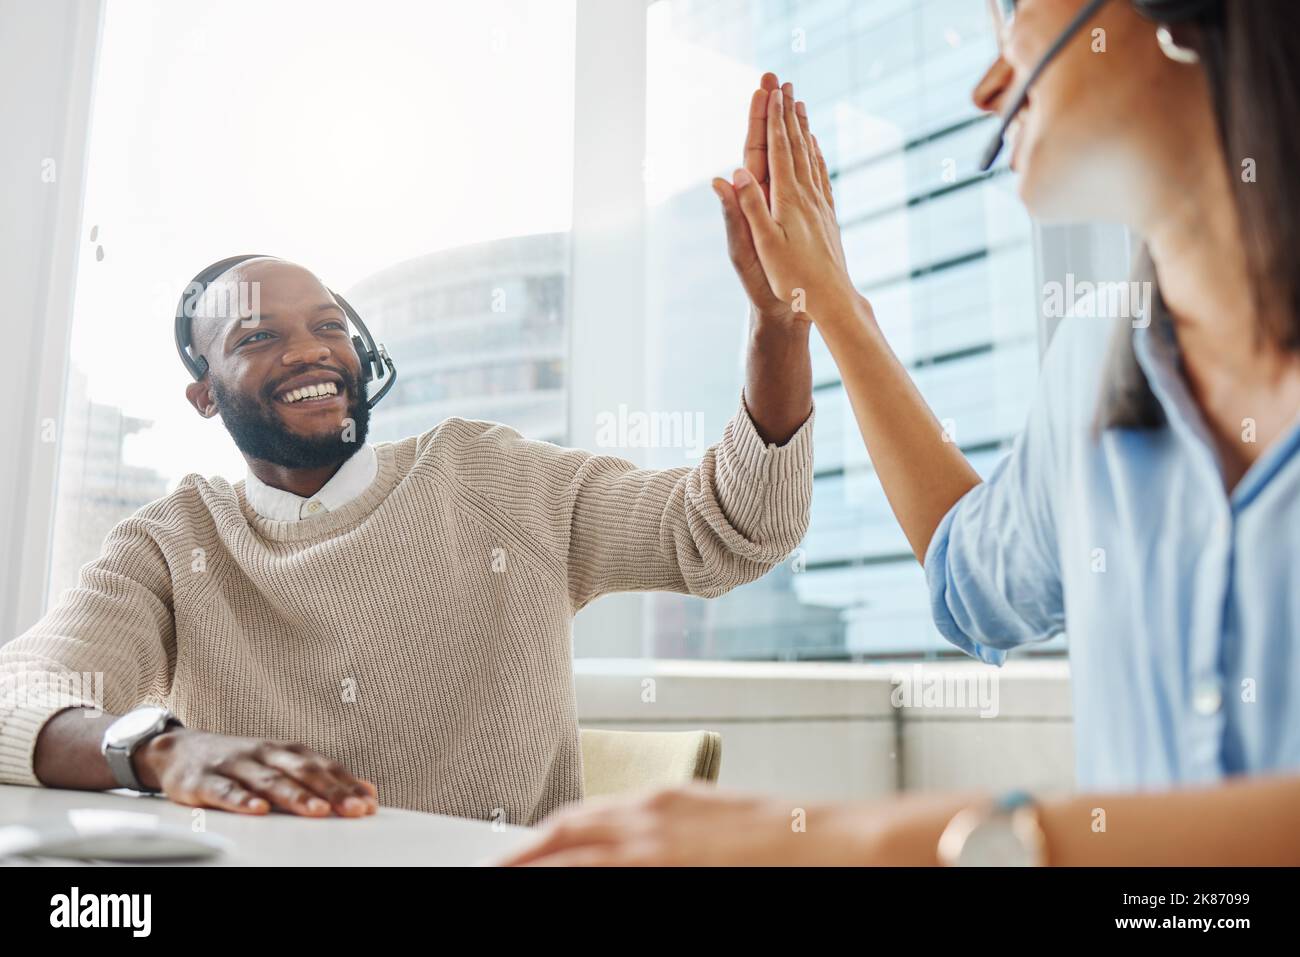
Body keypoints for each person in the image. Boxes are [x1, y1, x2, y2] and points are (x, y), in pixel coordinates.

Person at [502, 0, 1300, 865]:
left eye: (1018, 14)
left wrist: (870, 842)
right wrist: (830, 305)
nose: (990, 85)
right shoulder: (1092, 376)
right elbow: (971, 574)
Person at [0, 255, 814, 825]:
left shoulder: (487, 475)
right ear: (204, 396)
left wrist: (779, 329)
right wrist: (159, 751)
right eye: (257, 337)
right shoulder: (172, 542)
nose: (310, 349)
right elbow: (17, 692)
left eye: (328, 324)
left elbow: (730, 526)